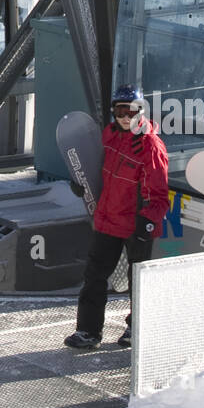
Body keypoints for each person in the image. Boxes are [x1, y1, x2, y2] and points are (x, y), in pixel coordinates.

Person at [65, 84, 169, 351]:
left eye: (131, 111)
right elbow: (99, 173)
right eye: (120, 110)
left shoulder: (150, 146)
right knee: (95, 275)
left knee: (139, 279)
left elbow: (158, 192)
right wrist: (82, 183)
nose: (125, 117)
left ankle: (138, 327)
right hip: (109, 219)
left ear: (141, 111)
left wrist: (147, 221)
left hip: (136, 223)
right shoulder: (111, 136)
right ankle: (88, 331)